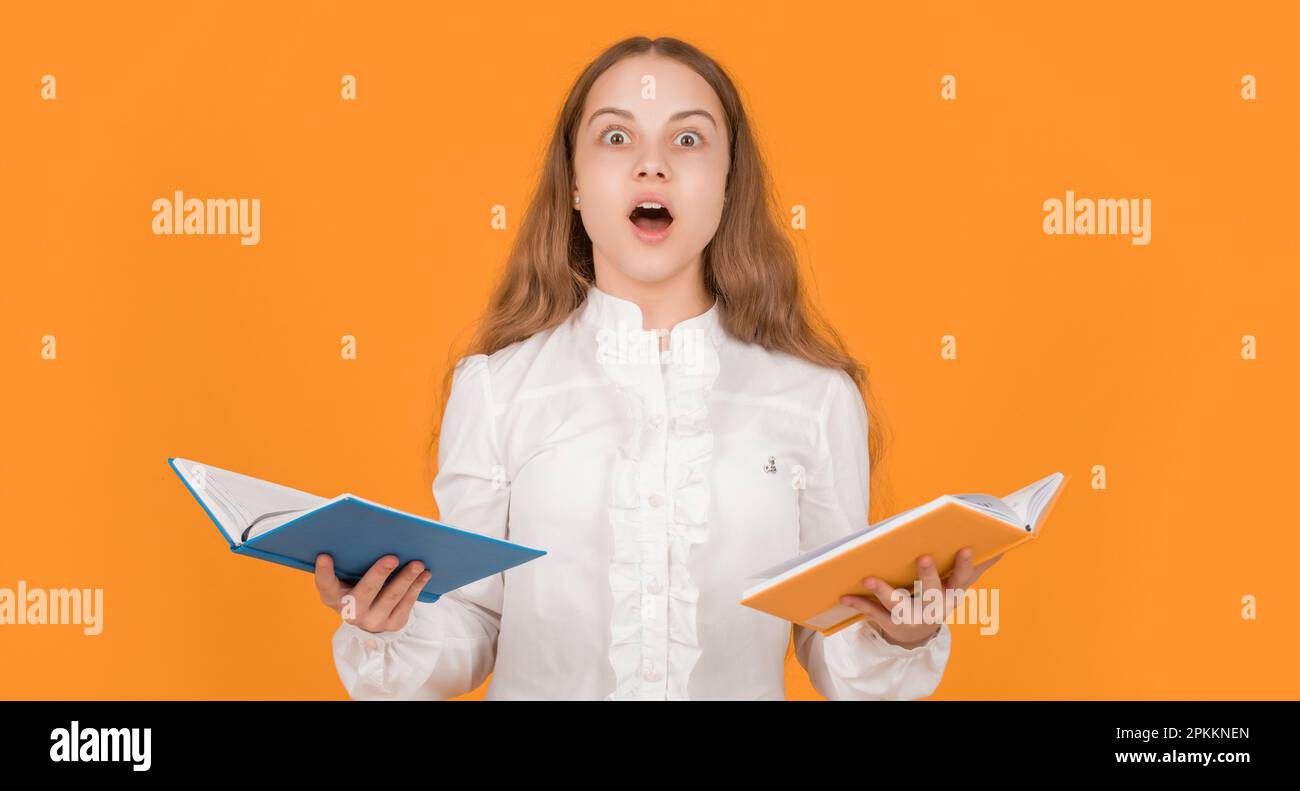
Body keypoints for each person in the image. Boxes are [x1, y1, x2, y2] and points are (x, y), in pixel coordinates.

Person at [313, 35, 1000, 701]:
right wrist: (390, 629)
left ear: (728, 186)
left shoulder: (816, 398)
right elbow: (474, 624)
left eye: (688, 139)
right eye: (616, 137)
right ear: (576, 186)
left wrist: (899, 634)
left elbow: (832, 645)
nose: (652, 165)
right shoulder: (495, 390)